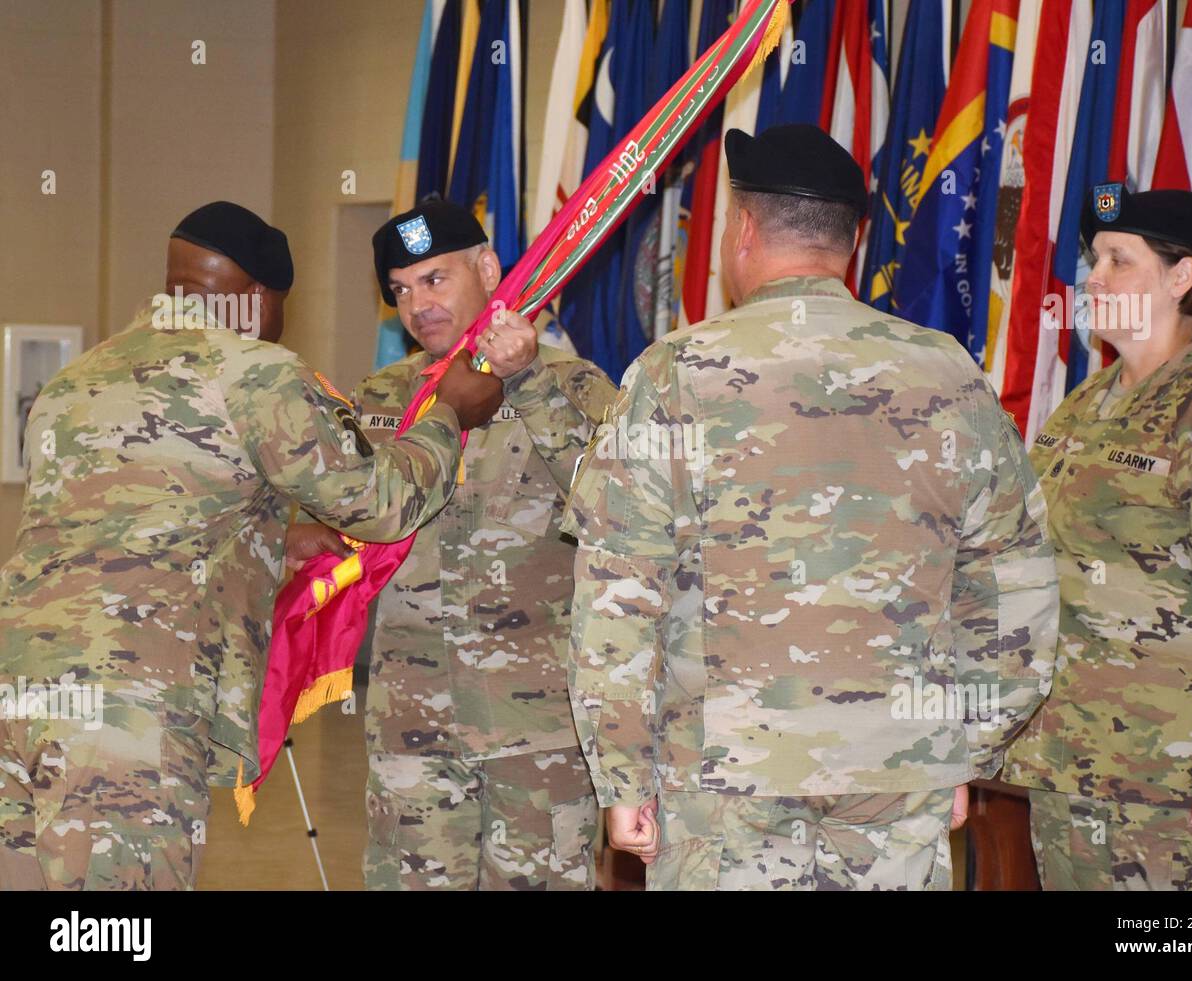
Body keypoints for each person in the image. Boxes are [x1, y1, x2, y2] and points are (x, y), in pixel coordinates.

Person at [560, 124, 1060, 890]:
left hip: (720, 779)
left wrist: (622, 774)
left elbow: (617, 594)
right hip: (897, 769)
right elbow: (1016, 584)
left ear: (744, 228)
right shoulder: (949, 374)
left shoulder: (675, 374)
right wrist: (962, 747)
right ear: (854, 240)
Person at [0, 201, 503, 890]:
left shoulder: (72, 382)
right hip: (124, 709)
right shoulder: (254, 373)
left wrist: (273, 541)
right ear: (260, 297)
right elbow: (381, 502)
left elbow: (121, 523)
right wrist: (449, 413)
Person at [292, 198, 616, 890]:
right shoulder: (379, 399)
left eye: (435, 279)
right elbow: (340, 515)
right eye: (401, 289)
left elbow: (614, 510)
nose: (419, 306)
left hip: (537, 726)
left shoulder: (570, 384)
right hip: (412, 721)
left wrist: (525, 381)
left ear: (489, 269)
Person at [1004, 185, 1192, 891]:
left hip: (1170, 774)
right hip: (1067, 756)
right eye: (1094, 260)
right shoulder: (1084, 406)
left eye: (1119, 259)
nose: (1094, 278)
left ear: (1181, 276)